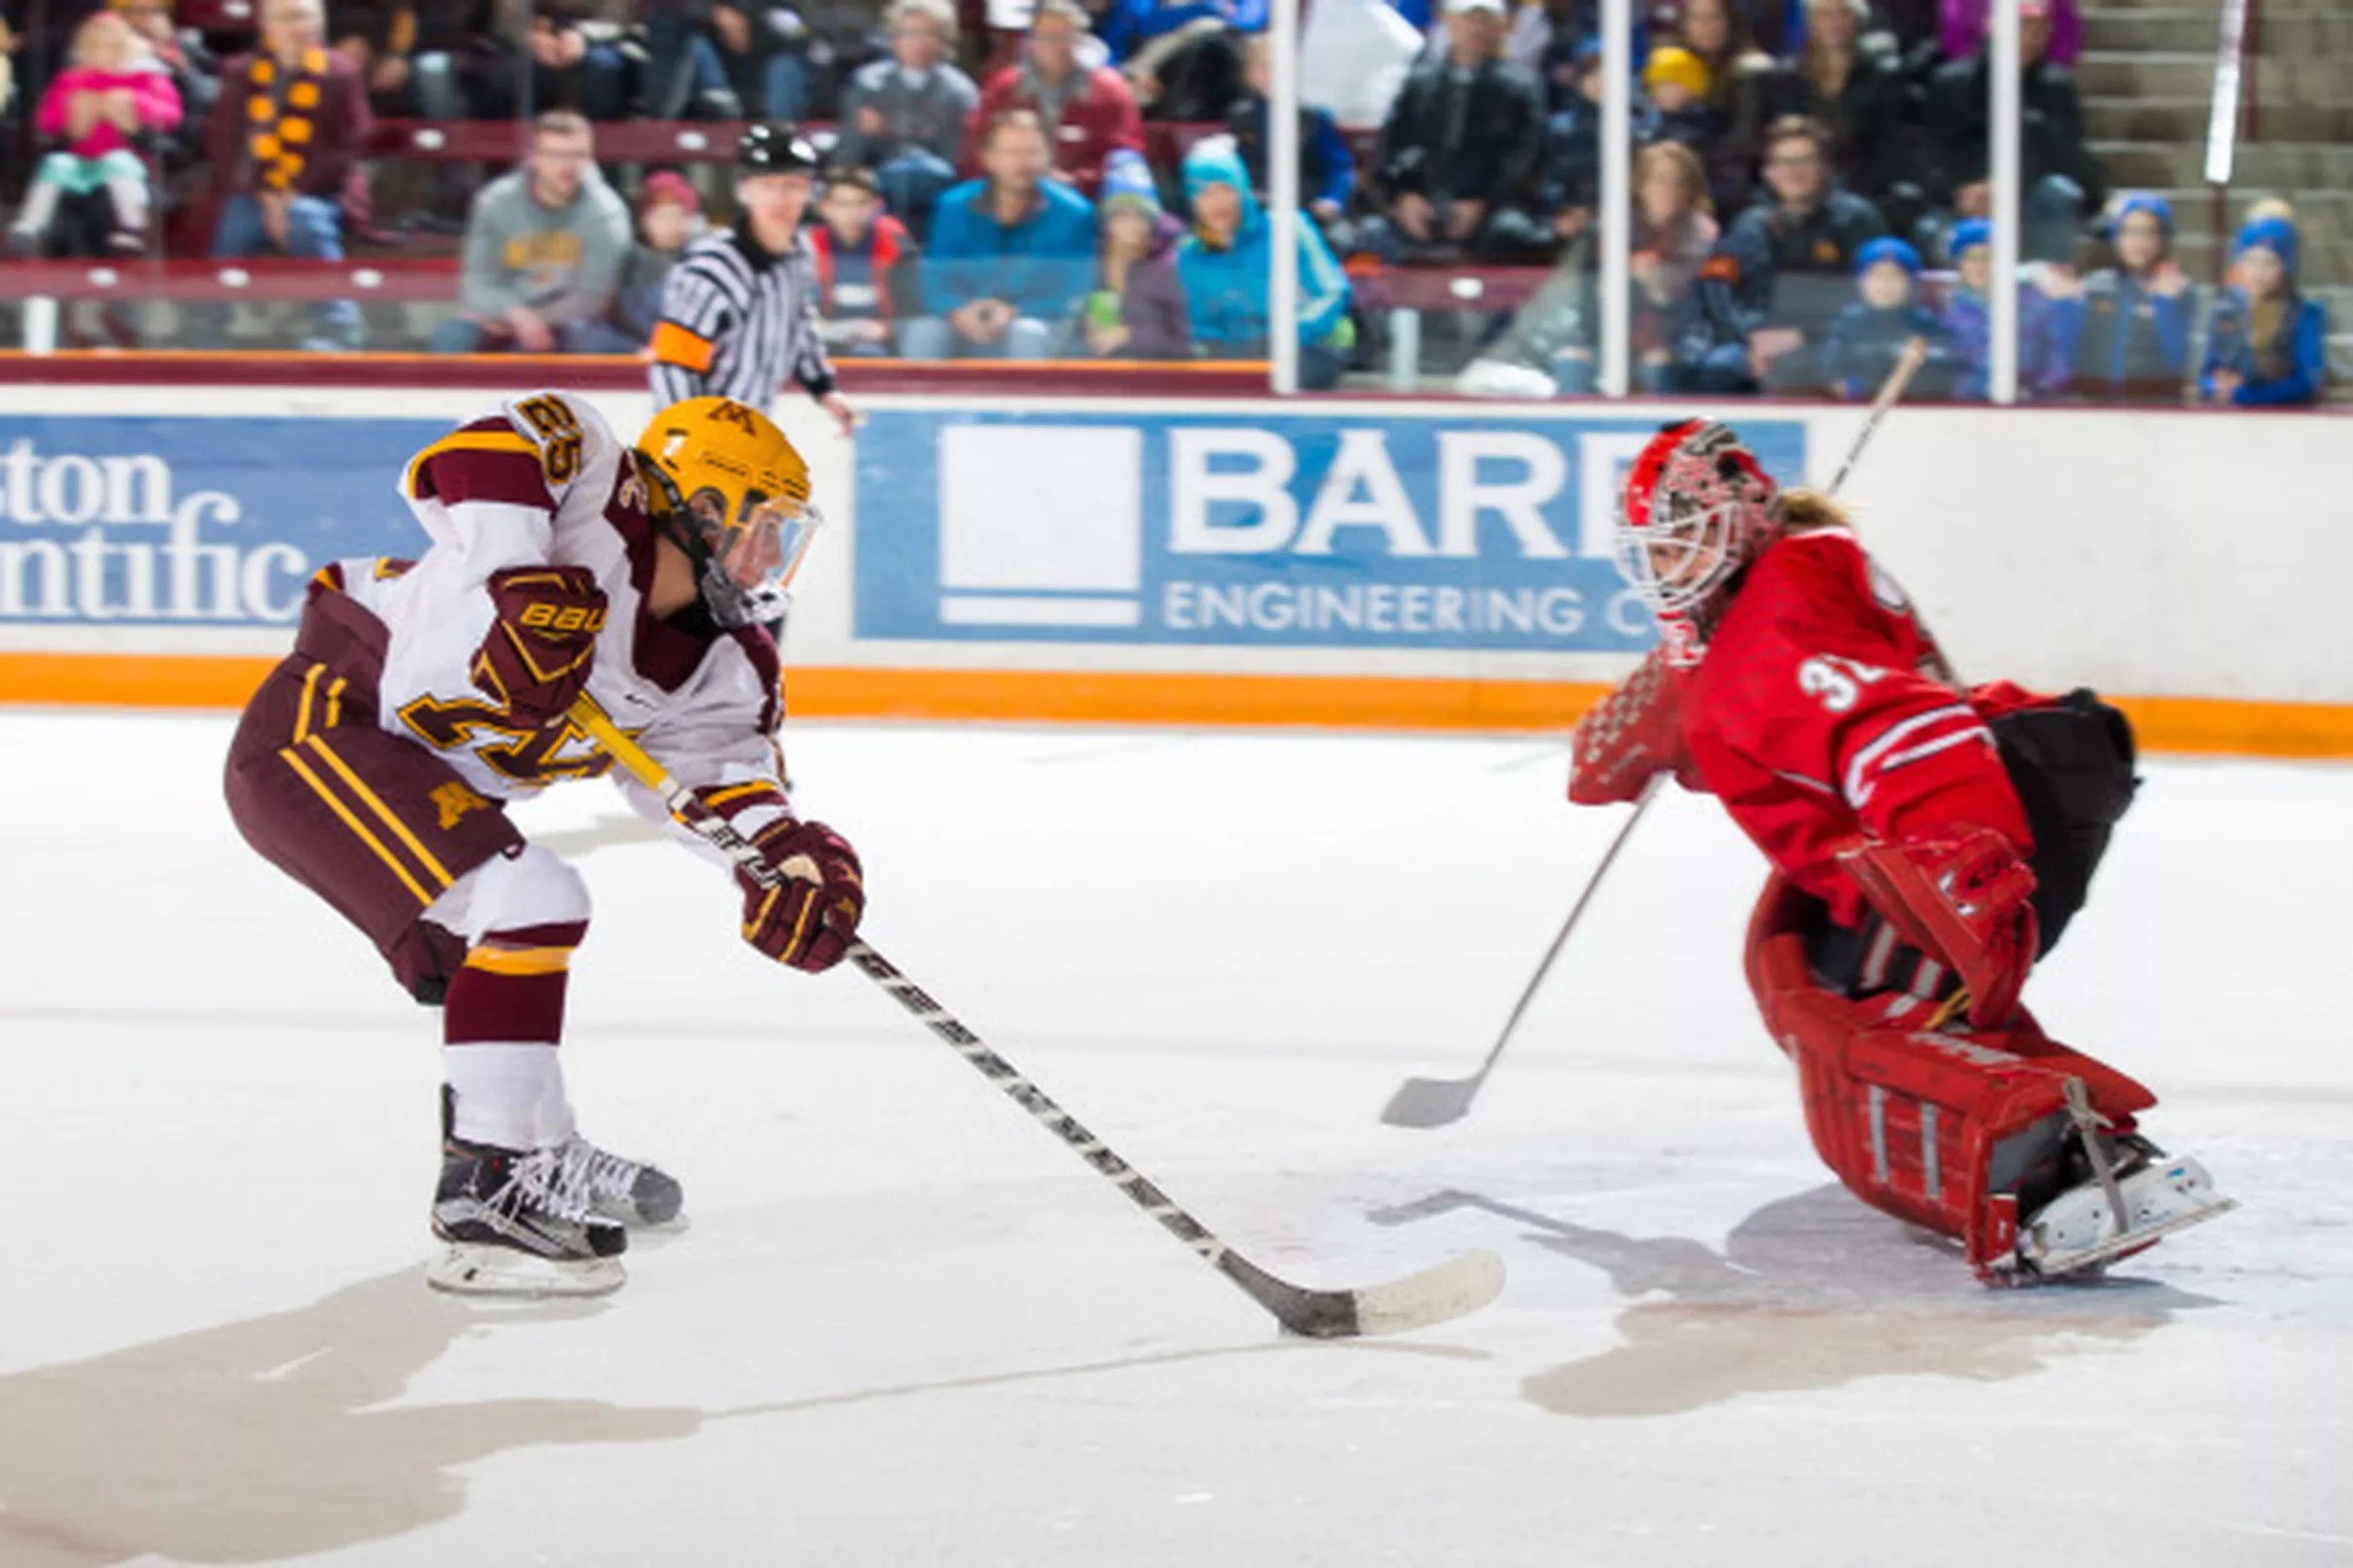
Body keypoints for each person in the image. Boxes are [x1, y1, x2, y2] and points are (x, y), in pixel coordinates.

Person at [223, 391, 860, 1298]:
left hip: (429, 787)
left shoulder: (728, 660)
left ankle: (539, 1145)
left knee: (511, 932)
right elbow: (478, 453)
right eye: (763, 526)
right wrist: (519, 580)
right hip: (327, 724)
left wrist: (787, 860)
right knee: (535, 897)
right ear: (701, 504)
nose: (770, 558)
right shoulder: (591, 482)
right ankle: (485, 1192)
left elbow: (721, 783)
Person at [1566, 418, 2234, 1281]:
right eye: (1653, 555)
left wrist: (1952, 849)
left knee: (1847, 1006)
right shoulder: (1772, 593)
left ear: (1739, 523)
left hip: (1986, 806)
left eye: (1681, 548)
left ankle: (2054, 1171)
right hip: (2027, 764)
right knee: (1817, 967)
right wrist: (1653, 717)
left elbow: (1898, 729)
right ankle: (2068, 1143)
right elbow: (1751, 703)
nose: (1665, 572)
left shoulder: (1774, 629)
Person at [650, 124, 859, 436]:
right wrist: (685, 442)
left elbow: (799, 325)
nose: (779, 197)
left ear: (809, 191)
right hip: (702, 436)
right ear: (744, 190)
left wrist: (824, 389)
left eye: (792, 185)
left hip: (752, 433)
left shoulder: (801, 253)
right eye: (766, 185)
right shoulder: (709, 268)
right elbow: (673, 365)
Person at [197, 0, 371, 350]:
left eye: (307, 17)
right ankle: (209, 330)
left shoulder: (340, 73)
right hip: (252, 190)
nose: (299, 26)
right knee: (233, 229)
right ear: (267, 25)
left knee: (307, 221)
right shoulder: (241, 71)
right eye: (288, 18)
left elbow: (349, 144)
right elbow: (225, 141)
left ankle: (335, 328)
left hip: (318, 190)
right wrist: (264, 193)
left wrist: (292, 193)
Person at [1675, 113, 1884, 394]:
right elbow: (1718, 290)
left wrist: (1802, 335)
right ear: (1769, 172)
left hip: (1832, 342)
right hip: (1758, 340)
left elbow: (1873, 295)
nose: (1794, 172)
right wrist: (1752, 337)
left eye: (1805, 161)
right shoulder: (1749, 225)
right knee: (1718, 369)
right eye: (1785, 163)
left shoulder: (1856, 220)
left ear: (1824, 167)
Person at [1363, 0, 1551, 265]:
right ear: (1447, 20)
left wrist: (1484, 202)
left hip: (1490, 210)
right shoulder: (1420, 82)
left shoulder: (1521, 86)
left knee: (1512, 232)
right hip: (1422, 203)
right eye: (1468, 18)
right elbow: (1391, 147)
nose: (1476, 28)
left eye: (1485, 19)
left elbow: (1525, 154)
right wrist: (1403, 197)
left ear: (1501, 25)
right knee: (1372, 234)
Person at [900, 108, 1097, 360]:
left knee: (1026, 334)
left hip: (1038, 321)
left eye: (1032, 152)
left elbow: (1074, 293)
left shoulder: (1075, 213)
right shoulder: (953, 206)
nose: (1023, 162)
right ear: (988, 158)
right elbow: (935, 278)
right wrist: (956, 311)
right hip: (964, 317)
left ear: (1049, 156)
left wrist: (1015, 312)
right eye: (1011, 152)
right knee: (924, 332)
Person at [434, 111, 633, 356]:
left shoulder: (606, 213)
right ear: (533, 158)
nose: (568, 166)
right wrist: (515, 315)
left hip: (570, 323)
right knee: (452, 335)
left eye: (579, 155)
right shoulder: (495, 203)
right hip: (506, 315)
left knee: (591, 340)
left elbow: (592, 299)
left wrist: (532, 322)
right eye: (557, 155)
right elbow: (476, 282)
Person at [1921, 0, 2102, 262]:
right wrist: (1961, 191)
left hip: (2028, 197)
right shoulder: (1952, 83)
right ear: (1992, 27)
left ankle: (2050, 287)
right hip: (1964, 198)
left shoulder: (2057, 87)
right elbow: (1932, 152)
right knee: (1930, 230)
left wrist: (2010, 185)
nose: (2028, 38)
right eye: (2020, 27)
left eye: (2038, 29)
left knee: (2060, 193)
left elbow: (2068, 156)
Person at [1176, 136, 1352, 388]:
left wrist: (1285, 337)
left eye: (1226, 190)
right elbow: (1199, 325)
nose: (1218, 202)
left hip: (1305, 348)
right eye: (1205, 193)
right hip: (1235, 358)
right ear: (1193, 201)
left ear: (1242, 190)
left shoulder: (1288, 228)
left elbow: (1332, 293)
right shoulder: (1189, 256)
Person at [9, 10, 181, 257]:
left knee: (117, 162)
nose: (102, 54)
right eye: (95, 47)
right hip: (81, 161)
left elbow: (169, 115)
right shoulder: (70, 81)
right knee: (56, 163)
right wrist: (72, 113)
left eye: (111, 47)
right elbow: (45, 121)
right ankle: (31, 224)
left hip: (128, 160)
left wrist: (134, 104)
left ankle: (132, 226)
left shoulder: (143, 79)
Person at [972, 0, 1143, 199]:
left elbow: (1124, 157)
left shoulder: (1110, 91)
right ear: (1030, 41)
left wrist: (1077, 181)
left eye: (1064, 37)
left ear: (1080, 40)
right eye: (1045, 36)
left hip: (1085, 199)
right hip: (1007, 193)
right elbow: (977, 145)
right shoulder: (1004, 87)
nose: (1054, 45)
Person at [833, 0, 979, 230]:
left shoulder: (959, 91)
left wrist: (892, 129)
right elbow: (849, 152)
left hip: (938, 183)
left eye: (928, 33)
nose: (918, 42)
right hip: (879, 181)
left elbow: (958, 158)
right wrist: (866, 134)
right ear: (894, 39)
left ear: (943, 40)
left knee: (914, 176)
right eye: (910, 33)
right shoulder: (868, 84)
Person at [1222, 32, 1357, 254]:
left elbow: (1339, 167)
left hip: (1304, 209)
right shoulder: (1239, 118)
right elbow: (1232, 167)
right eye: (1262, 66)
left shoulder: (1312, 118)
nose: (1269, 73)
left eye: (1277, 65)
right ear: (1249, 73)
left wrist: (1332, 199)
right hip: (1255, 210)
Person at [2063, 192, 2194, 404]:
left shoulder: (2182, 292)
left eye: (2149, 233)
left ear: (2162, 239)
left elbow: (2180, 363)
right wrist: (2066, 305)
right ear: (2117, 237)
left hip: (2154, 408)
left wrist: (2167, 306)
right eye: (2130, 232)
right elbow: (2070, 353)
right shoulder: (2095, 286)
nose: (2139, 242)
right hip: (2094, 403)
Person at [568, 171, 707, 356]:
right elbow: (581, 328)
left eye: (680, 215)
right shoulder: (621, 266)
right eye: (662, 216)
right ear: (644, 219)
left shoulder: (706, 263)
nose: (672, 224)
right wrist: (633, 351)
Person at [2198, 215, 2329, 409]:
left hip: (2290, 419)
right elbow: (2206, 374)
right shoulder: (2224, 310)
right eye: (2250, 261)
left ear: (2286, 267)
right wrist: (2214, 387)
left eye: (2269, 263)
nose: (2258, 272)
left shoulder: (2306, 313)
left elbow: (2309, 381)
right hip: (2230, 419)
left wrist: (2245, 394)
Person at [1085, 149, 1189, 360]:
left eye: (1140, 216)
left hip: (1157, 375)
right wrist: (1085, 330)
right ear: (1108, 222)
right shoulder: (1093, 265)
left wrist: (1130, 335)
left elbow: (1183, 340)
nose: (1131, 225)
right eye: (1122, 215)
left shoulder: (1170, 267)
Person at [1674, 0, 1774, 219]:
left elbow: (1743, 142)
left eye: (1715, 17)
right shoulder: (1676, 68)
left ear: (1731, 22)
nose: (1707, 27)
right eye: (1698, 18)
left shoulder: (1751, 71)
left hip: (1737, 183)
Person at [1819, 235, 1950, 399]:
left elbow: (1944, 373)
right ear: (1862, 282)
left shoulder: (1926, 324)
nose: (1885, 283)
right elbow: (1829, 371)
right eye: (1876, 275)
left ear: (1910, 283)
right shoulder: (1847, 323)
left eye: (1895, 275)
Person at [809, 165, 916, 359]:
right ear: (824, 207)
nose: (852, 212)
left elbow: (911, 306)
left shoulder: (896, 244)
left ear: (876, 206)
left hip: (879, 337)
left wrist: (888, 328)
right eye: (842, 204)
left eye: (861, 203)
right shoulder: (807, 249)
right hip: (825, 335)